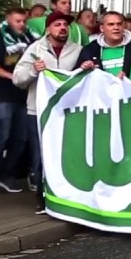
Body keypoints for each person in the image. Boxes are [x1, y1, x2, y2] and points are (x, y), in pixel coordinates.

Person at [13, 12, 85, 213]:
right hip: (38, 112)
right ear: (48, 28)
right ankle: (43, 199)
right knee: (41, 156)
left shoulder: (78, 50)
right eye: (57, 24)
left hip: (68, 112)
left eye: (65, 25)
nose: (62, 28)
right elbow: (18, 79)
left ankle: (68, 197)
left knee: (68, 154)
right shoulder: (35, 49)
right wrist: (33, 71)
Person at [0, 8, 32, 194]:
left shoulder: (30, 40)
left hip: (23, 96)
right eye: (18, 21)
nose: (22, 24)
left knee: (20, 138)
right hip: (2, 95)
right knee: (2, 136)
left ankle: (7, 175)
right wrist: (14, 77)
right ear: (8, 21)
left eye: (24, 21)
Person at [76, 11, 131, 76]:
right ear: (102, 28)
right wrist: (84, 68)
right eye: (111, 24)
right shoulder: (90, 49)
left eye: (119, 24)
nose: (116, 27)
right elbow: (77, 76)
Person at [25, 0, 90, 44]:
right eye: (63, 3)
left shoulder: (79, 28)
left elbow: (87, 51)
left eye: (69, 3)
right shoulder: (35, 23)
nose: (68, 6)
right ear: (53, 5)